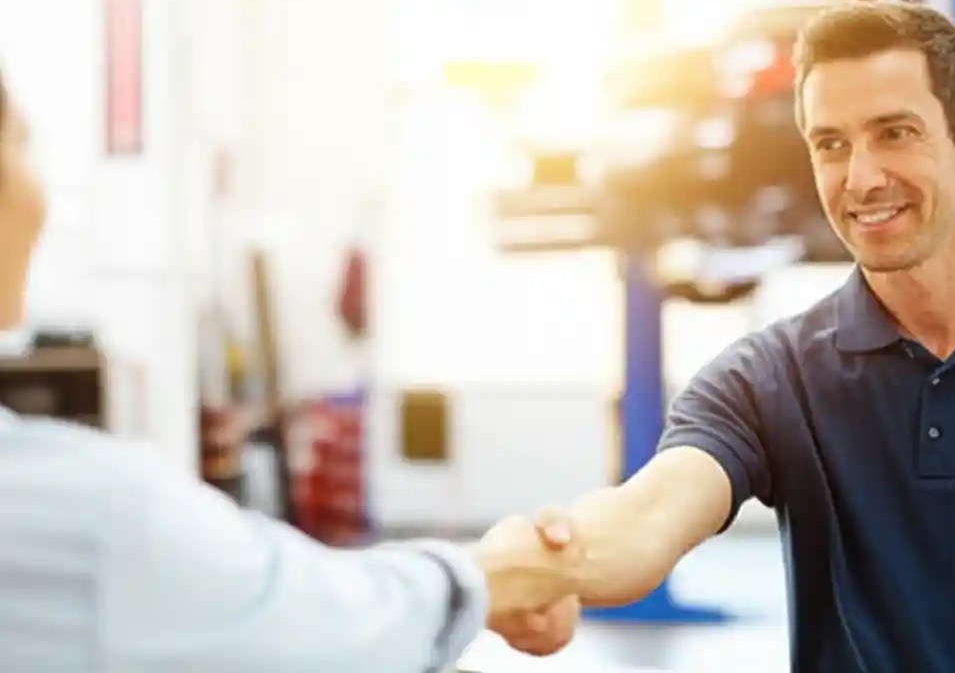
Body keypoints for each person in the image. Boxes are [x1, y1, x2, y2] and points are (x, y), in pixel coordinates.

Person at [496, 0, 955, 671]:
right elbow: (647, 516)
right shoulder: (773, 376)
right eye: (832, 144)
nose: (861, 178)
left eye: (895, 134)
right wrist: (548, 567)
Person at [0, 73, 580, 671]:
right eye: (21, 146)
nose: (37, 195)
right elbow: (317, 629)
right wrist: (493, 574)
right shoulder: (97, 517)